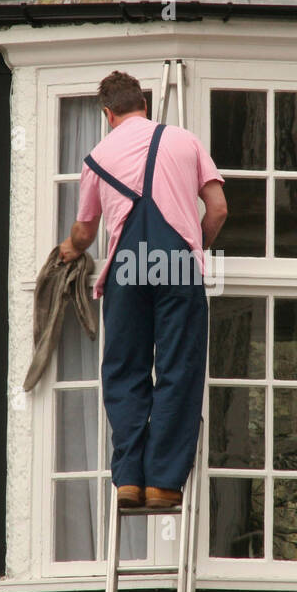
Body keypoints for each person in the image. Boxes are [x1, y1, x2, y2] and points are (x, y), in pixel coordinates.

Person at [59, 71, 227, 510]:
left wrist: (69, 248)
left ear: (108, 113)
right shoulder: (185, 141)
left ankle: (129, 479)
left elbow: (84, 230)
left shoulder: (96, 157)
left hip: (126, 270)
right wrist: (196, 245)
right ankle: (164, 483)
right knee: (178, 368)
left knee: (125, 370)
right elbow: (219, 208)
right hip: (177, 265)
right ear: (145, 106)